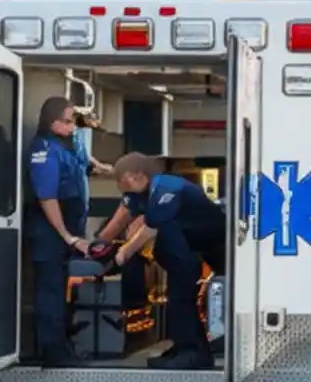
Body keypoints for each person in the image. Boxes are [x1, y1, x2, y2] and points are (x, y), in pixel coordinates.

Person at [94, 152, 226, 370]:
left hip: (209, 248)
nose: (120, 186)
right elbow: (123, 214)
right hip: (187, 249)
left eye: (122, 180)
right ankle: (185, 347)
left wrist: (124, 253)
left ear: (137, 176)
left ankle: (192, 353)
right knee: (178, 299)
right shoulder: (140, 191)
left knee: (181, 299)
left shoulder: (167, 188)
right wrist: (98, 245)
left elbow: (150, 227)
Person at [25, 96, 89, 367]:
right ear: (51, 122)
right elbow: (47, 197)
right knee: (50, 293)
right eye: (66, 121)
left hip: (63, 236)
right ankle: (53, 352)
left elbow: (81, 165)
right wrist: (66, 235)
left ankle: (62, 345)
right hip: (50, 234)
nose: (72, 126)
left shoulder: (65, 146)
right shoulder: (44, 150)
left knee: (59, 290)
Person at [70, 111, 112, 235]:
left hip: (81, 173)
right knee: (80, 210)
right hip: (76, 177)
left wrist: (95, 168)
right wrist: (103, 167)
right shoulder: (78, 132)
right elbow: (84, 156)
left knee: (81, 210)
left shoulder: (83, 132)